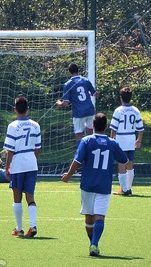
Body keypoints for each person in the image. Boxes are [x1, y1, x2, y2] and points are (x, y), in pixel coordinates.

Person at [61, 113, 129, 257]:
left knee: (89, 217)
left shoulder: (86, 141)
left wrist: (68, 175)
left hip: (87, 185)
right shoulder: (112, 143)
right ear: (106, 127)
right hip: (104, 185)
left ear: (93, 126)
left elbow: (77, 161)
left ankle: (92, 243)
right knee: (100, 217)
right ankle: (95, 243)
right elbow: (124, 159)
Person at [3, 95, 42, 238]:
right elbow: (38, 148)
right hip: (32, 163)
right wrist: (32, 159)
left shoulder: (12, 126)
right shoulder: (36, 125)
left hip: (18, 164)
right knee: (30, 196)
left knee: (17, 197)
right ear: (28, 109)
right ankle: (33, 226)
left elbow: (10, 150)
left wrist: (8, 167)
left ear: (15, 110)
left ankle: (19, 228)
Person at [109, 87, 144, 196]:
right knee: (130, 164)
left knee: (121, 164)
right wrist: (139, 140)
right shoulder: (135, 110)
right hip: (131, 140)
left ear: (121, 98)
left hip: (121, 140)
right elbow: (141, 128)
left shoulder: (118, 110)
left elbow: (113, 128)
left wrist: (111, 140)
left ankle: (124, 189)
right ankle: (128, 188)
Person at [56, 63, 97, 150]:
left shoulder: (68, 84)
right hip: (90, 110)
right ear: (78, 70)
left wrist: (59, 103)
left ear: (69, 72)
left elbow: (66, 103)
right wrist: (88, 93)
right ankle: (91, 152)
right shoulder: (85, 80)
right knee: (90, 132)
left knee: (79, 134)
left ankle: (80, 155)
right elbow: (96, 94)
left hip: (79, 112)